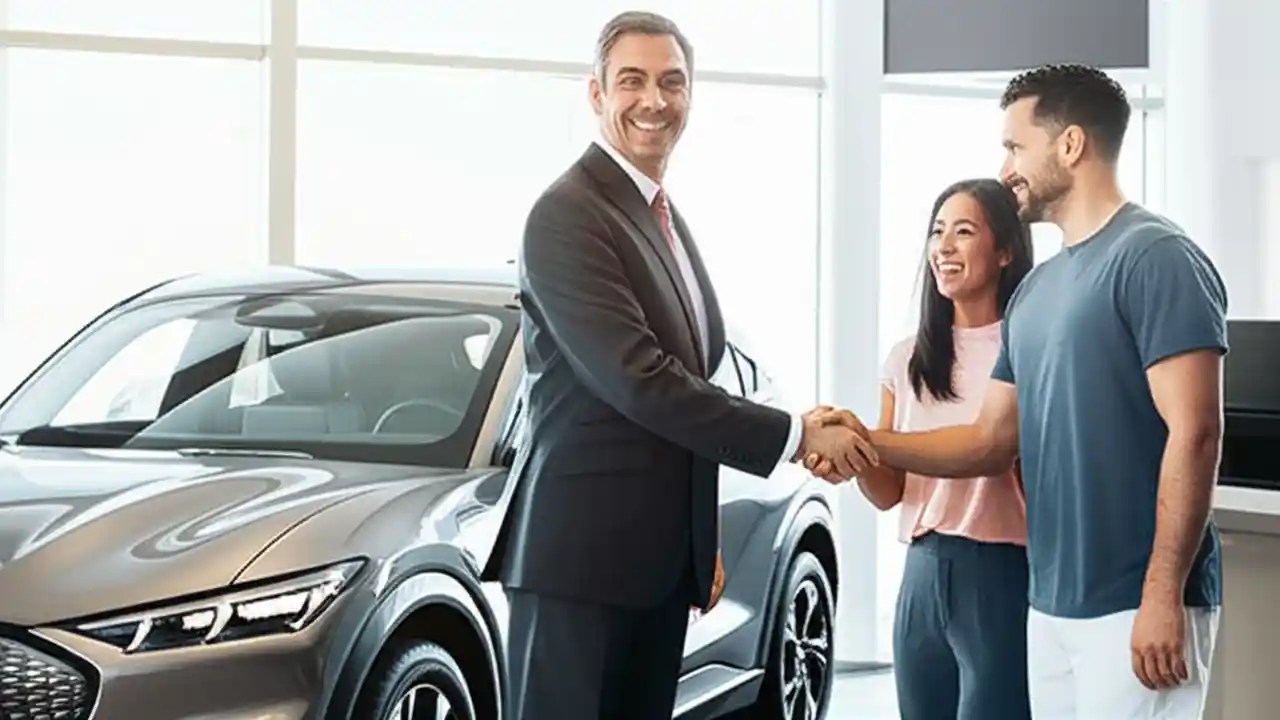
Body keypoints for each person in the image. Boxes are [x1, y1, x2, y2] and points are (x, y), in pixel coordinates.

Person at [480, 11, 876, 720]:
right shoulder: (568, 214)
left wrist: (699, 542)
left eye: (672, 82)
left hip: (654, 570)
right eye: (632, 81)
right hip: (581, 568)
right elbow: (642, 381)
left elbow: (695, 378)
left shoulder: (657, 213)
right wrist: (796, 435)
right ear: (597, 94)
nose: (654, 100)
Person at [813, 64, 1227, 718]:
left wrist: (1162, 592)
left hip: (1134, 603)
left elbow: (1196, 432)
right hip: (1049, 603)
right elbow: (989, 442)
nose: (1005, 169)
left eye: (1014, 146)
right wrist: (865, 440)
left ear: (1070, 145)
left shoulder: (1156, 257)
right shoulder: (1036, 292)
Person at [855, 178, 1034, 718]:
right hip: (921, 574)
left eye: (964, 232)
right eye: (937, 232)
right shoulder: (907, 358)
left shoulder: (1027, 349)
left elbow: (1007, 461)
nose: (944, 247)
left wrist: (869, 440)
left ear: (1004, 251)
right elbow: (888, 492)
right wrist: (854, 454)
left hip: (1000, 571)